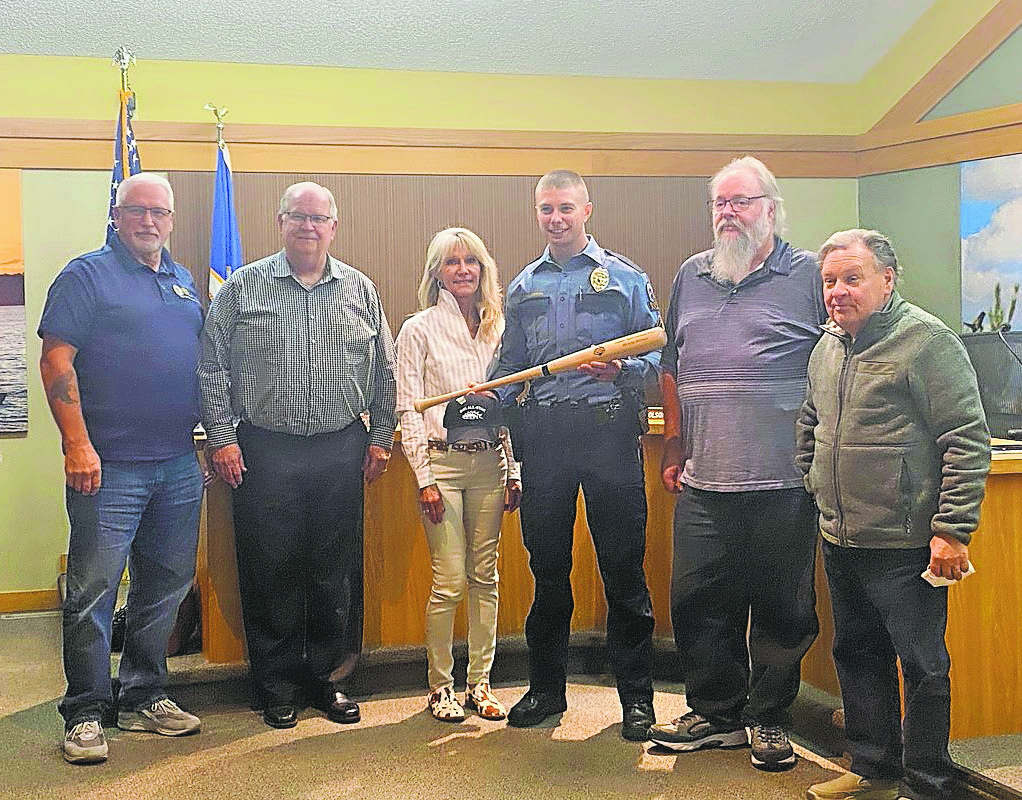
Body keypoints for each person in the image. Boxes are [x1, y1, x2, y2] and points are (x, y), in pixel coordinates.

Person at [198, 181, 397, 730]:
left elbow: (383, 366)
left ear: (334, 227)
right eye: (297, 216)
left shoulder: (360, 289)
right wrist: (222, 436)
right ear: (280, 222)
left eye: (318, 218)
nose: (308, 226)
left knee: (335, 572)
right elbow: (211, 365)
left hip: (340, 447)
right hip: (266, 450)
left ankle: (330, 681)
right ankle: (277, 685)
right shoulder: (243, 287)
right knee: (271, 568)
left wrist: (382, 435)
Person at [799, 230, 990, 800]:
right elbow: (809, 424)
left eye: (851, 278)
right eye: (830, 281)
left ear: (887, 279)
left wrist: (952, 530)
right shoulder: (827, 346)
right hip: (841, 537)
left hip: (907, 544)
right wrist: (815, 484)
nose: (838, 291)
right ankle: (874, 769)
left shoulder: (927, 342)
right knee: (857, 655)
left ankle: (928, 784)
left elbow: (966, 441)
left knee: (922, 666)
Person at [649, 156, 825, 769]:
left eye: (741, 201)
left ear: (770, 209)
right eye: (720, 203)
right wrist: (675, 441)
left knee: (781, 609)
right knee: (698, 602)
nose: (728, 213)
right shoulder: (692, 274)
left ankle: (769, 718)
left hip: (784, 480)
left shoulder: (809, 274)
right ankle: (716, 714)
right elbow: (671, 363)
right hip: (704, 479)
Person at [486, 169, 661, 742]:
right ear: (536, 213)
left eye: (565, 208)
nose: (556, 218)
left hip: (609, 436)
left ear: (587, 210)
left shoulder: (626, 278)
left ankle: (637, 699)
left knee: (623, 572)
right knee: (548, 573)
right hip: (547, 440)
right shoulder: (523, 286)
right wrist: (488, 401)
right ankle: (545, 689)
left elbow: (659, 356)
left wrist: (623, 370)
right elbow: (511, 364)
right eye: (546, 209)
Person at [39, 172, 204, 764]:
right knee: (92, 592)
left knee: (165, 586)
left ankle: (143, 694)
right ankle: (85, 711)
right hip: (107, 467)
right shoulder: (85, 276)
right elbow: (56, 361)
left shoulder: (182, 281)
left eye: (160, 212)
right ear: (117, 215)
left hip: (178, 463)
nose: (149, 221)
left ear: (172, 219)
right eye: (137, 210)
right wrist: (76, 444)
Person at [395, 227, 522, 722]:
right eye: (452, 262)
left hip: (491, 464)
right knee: (448, 582)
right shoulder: (418, 329)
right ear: (437, 273)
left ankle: (480, 684)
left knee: (484, 577)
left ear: (483, 269)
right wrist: (424, 478)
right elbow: (408, 408)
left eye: (471, 261)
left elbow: (511, 406)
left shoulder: (499, 329)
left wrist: (514, 469)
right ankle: (441, 687)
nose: (463, 270)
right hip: (442, 467)